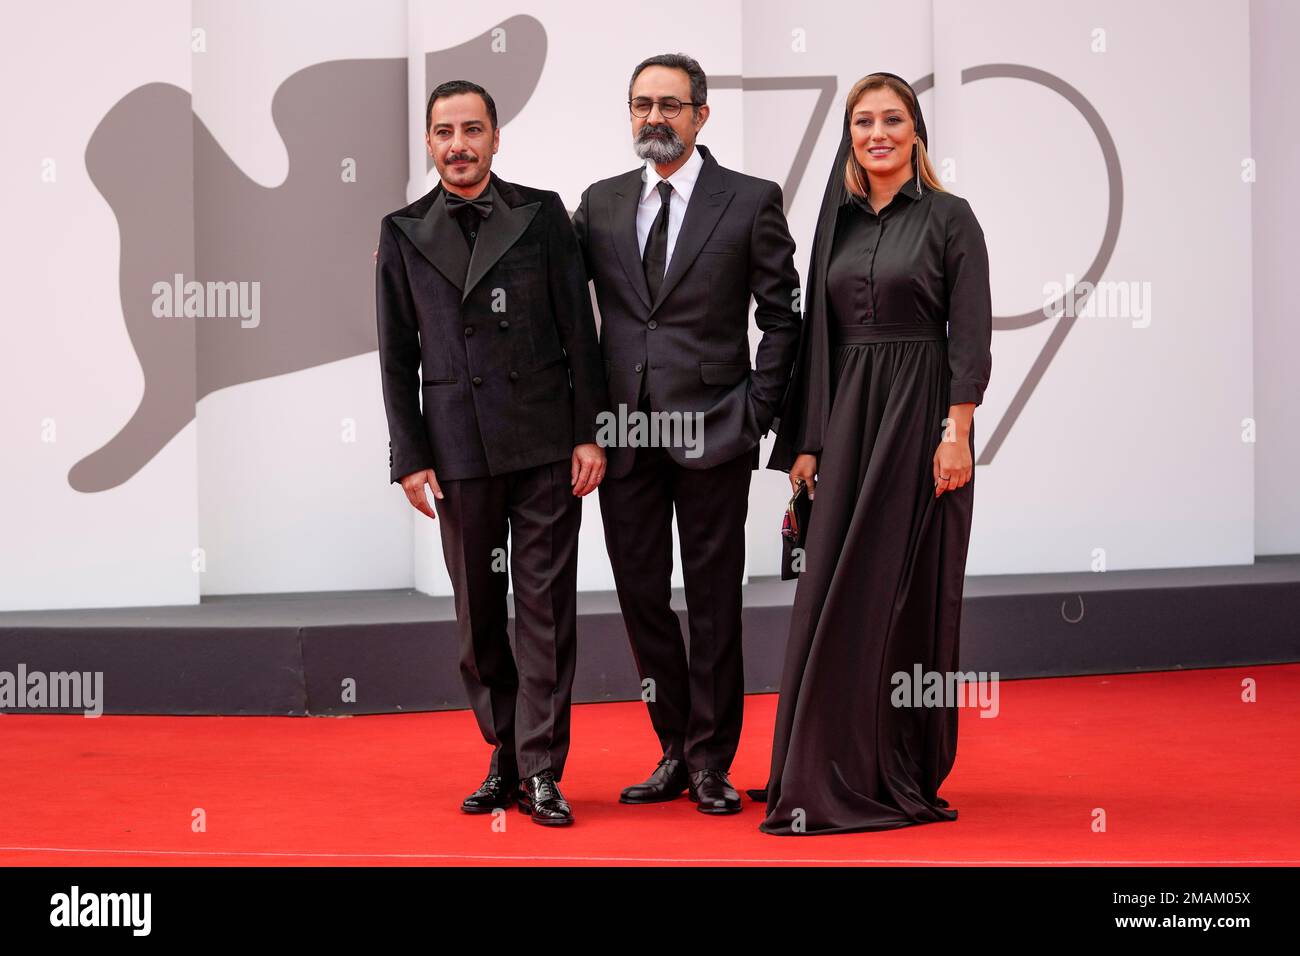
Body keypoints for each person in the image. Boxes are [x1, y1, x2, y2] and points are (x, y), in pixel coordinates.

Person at [757, 71, 993, 835]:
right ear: (850, 135)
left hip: (922, 419)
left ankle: (893, 765)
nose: (877, 133)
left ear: (916, 131)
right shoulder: (839, 225)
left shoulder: (952, 219)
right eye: (863, 122)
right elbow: (817, 342)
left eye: (892, 119)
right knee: (830, 589)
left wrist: (956, 434)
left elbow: (970, 338)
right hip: (847, 419)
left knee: (902, 591)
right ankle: (819, 762)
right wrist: (806, 444)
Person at [573, 53, 802, 815]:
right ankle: (673, 746)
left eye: (670, 105)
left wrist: (756, 413)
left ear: (702, 115)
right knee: (641, 600)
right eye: (641, 104)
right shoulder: (601, 204)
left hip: (715, 435)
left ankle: (712, 760)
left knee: (713, 603)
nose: (654, 118)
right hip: (625, 437)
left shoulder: (749, 200)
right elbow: (555, 292)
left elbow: (782, 318)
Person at [375, 79, 608, 827]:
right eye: (444, 131)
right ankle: (502, 755)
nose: (458, 144)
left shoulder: (542, 215)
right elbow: (395, 354)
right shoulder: (402, 230)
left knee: (545, 614)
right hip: (456, 451)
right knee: (479, 619)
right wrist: (409, 455)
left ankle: (542, 769)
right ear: (429, 142)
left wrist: (587, 431)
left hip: (542, 445)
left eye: (472, 129)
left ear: (496, 138)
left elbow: (582, 331)